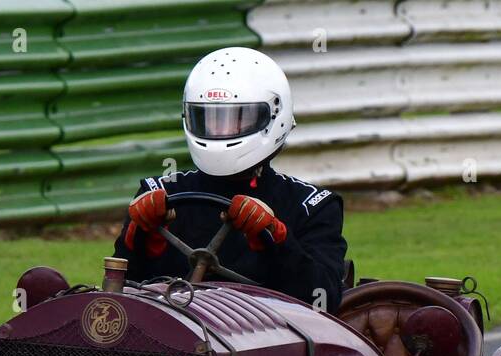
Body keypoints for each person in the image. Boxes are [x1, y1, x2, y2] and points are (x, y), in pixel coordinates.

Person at [114, 47, 348, 312]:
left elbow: (323, 301)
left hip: (264, 341)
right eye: (210, 120)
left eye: (236, 120)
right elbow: (120, 295)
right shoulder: (161, 193)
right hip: (167, 333)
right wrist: (140, 237)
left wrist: (276, 239)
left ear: (274, 116)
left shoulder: (311, 206)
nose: (221, 132)